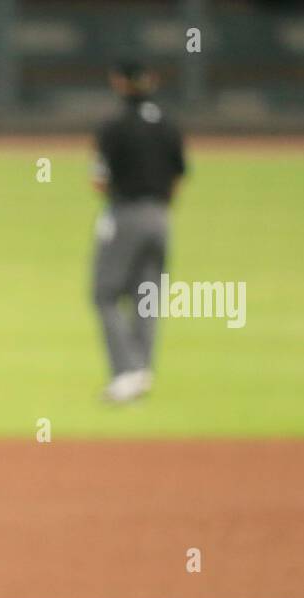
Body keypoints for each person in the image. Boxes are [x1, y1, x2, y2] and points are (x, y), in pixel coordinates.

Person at [91, 60, 187, 403]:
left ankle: (126, 372)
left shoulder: (113, 125)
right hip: (161, 216)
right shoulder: (168, 123)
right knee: (147, 296)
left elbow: (99, 180)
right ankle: (142, 370)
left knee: (104, 294)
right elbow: (178, 175)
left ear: (118, 81)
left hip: (126, 213)